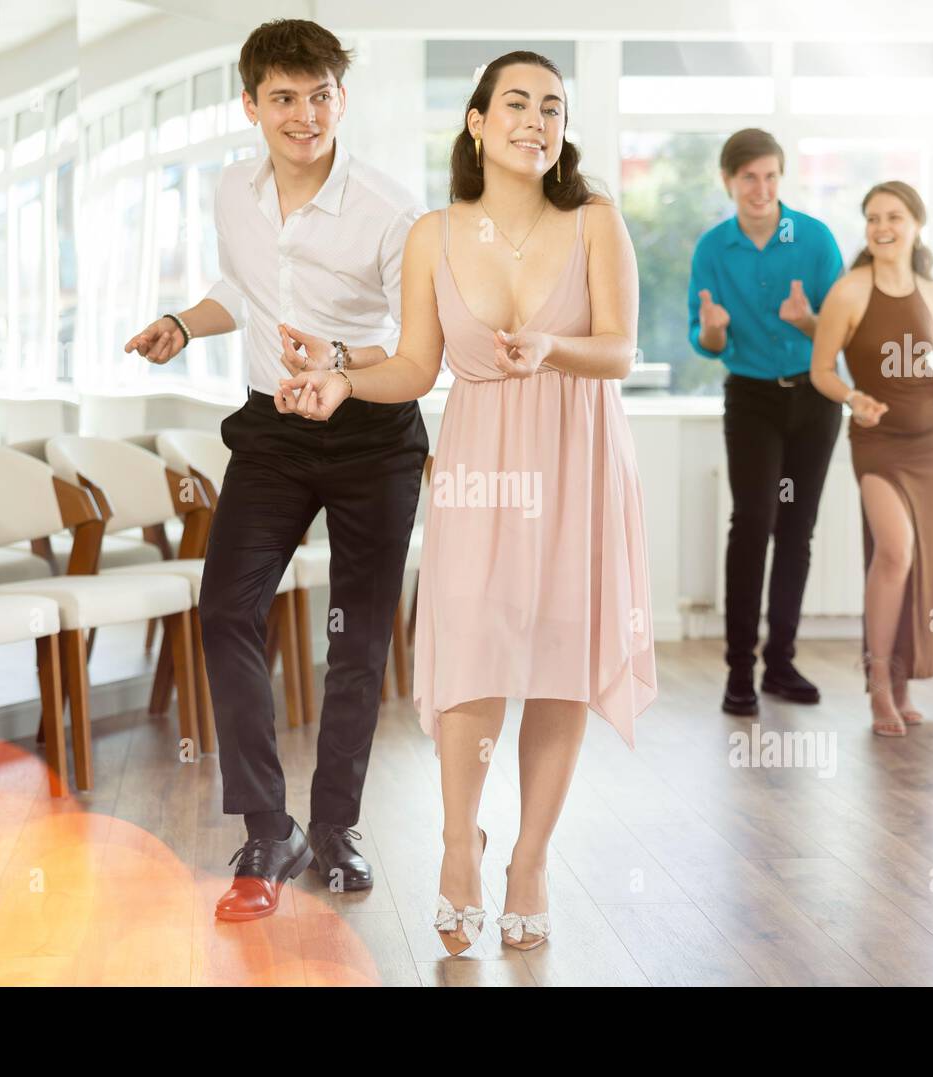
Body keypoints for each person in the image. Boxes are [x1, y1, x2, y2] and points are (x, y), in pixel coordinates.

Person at [278, 51, 657, 954]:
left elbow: (620, 351)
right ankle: (460, 843)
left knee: (563, 655)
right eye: (517, 103)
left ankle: (529, 858)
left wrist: (552, 351)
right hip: (480, 458)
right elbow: (415, 365)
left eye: (554, 107)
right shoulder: (432, 234)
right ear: (478, 123)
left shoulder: (596, 221)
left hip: (578, 451)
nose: (538, 119)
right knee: (476, 650)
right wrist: (337, 375)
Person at [123, 19, 428, 921]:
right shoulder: (232, 191)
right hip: (273, 431)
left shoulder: (388, 208)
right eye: (285, 98)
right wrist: (184, 321)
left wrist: (339, 367)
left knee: (357, 636)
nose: (305, 115)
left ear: (343, 97)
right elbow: (243, 289)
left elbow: (416, 348)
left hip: (373, 430)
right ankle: (269, 824)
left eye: (321, 95)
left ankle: (336, 828)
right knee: (226, 606)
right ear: (250, 104)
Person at [687, 129, 844, 718]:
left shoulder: (814, 239)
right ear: (728, 181)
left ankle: (780, 661)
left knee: (795, 530)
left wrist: (809, 323)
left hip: (814, 399)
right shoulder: (713, 249)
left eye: (771, 176)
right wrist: (715, 331)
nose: (761, 188)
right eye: (749, 177)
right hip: (751, 399)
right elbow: (703, 339)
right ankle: (738, 671)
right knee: (752, 521)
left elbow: (839, 332)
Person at [810, 181, 933, 735]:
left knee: (919, 564)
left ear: (916, 224)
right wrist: (853, 397)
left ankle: (902, 685)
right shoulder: (850, 291)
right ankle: (879, 687)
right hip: (878, 442)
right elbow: (821, 369)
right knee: (895, 552)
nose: (882, 227)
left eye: (894, 217)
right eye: (873, 217)